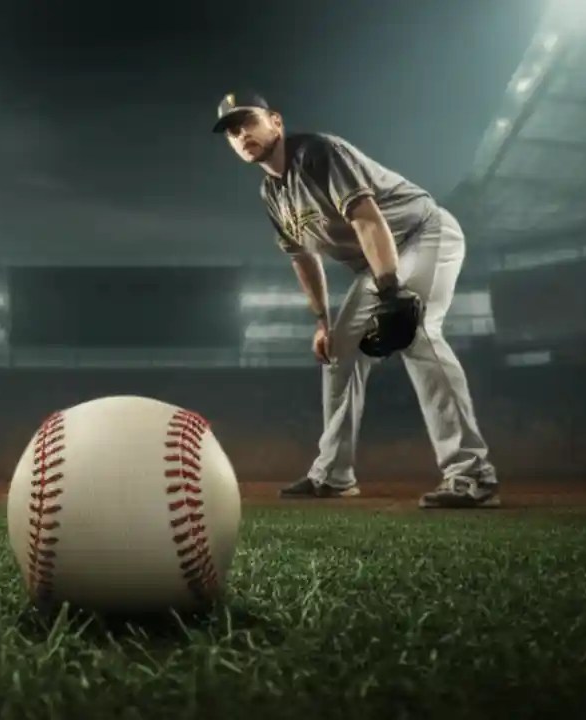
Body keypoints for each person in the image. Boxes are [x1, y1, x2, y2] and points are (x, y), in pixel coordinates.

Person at [212, 91, 499, 509]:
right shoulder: (271, 194)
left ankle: (472, 474)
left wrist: (390, 294)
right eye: (232, 131)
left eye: (247, 121)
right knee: (340, 352)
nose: (241, 134)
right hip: (380, 260)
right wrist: (323, 322)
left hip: (424, 234)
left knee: (416, 333)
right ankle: (333, 475)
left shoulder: (318, 152)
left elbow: (366, 218)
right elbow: (303, 259)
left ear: (275, 121)